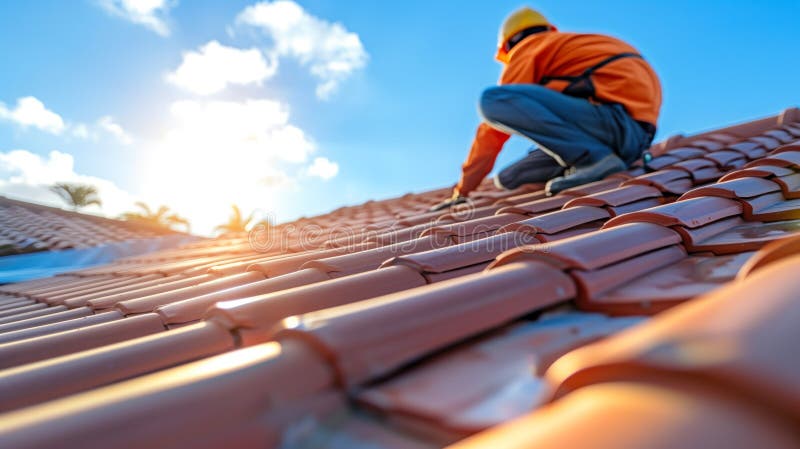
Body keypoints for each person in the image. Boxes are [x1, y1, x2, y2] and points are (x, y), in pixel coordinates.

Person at [431, 6, 662, 211]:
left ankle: (593, 160)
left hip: (613, 123)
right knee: (509, 178)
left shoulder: (529, 48)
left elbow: (491, 131)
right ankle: (590, 160)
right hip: (633, 139)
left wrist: (462, 191)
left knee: (492, 100)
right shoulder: (569, 49)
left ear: (509, 45)